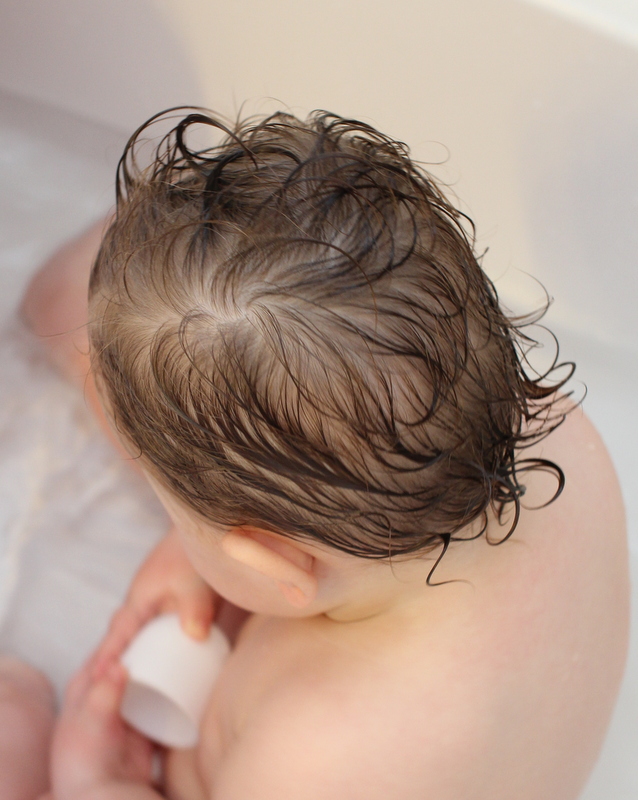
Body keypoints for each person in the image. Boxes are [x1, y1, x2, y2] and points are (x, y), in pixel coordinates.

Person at [7, 108, 630, 800]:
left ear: (278, 561)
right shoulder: (558, 429)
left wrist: (98, 779)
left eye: (170, 508)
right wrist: (195, 549)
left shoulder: (316, 760)